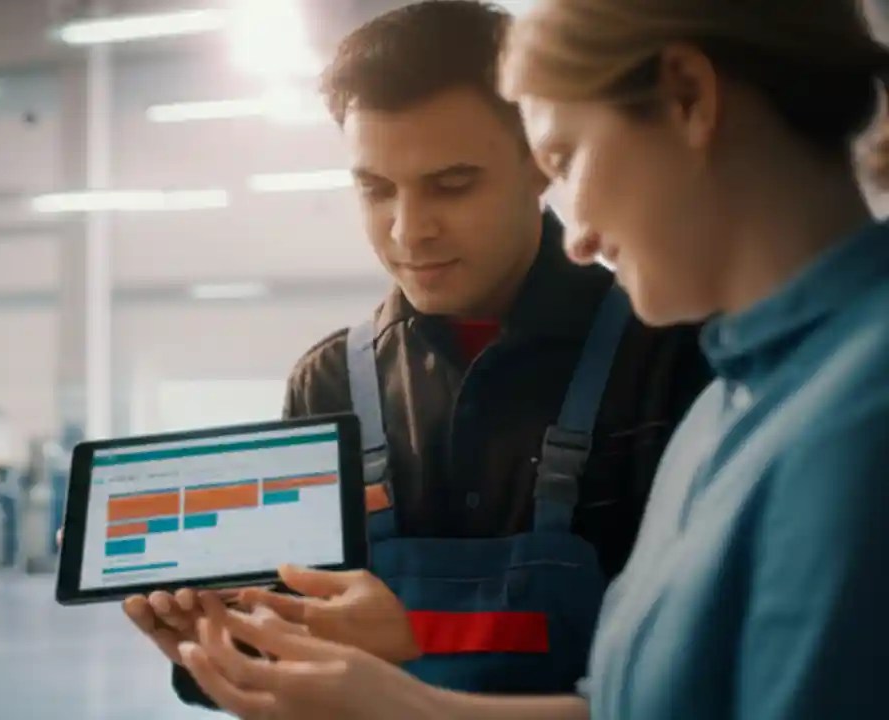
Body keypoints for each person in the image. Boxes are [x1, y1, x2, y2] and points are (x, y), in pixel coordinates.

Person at [174, 0, 889, 717]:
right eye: (375, 188)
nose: (578, 238)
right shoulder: (734, 404)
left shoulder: (837, 417)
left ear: (688, 98)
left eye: (567, 156)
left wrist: (413, 697)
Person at [121, 0, 709, 708]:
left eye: (452, 185)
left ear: (538, 162)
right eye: (375, 189)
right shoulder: (330, 382)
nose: (409, 230)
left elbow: (701, 666)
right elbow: (294, 646)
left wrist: (418, 640)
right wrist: (213, 644)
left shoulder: (669, 356)